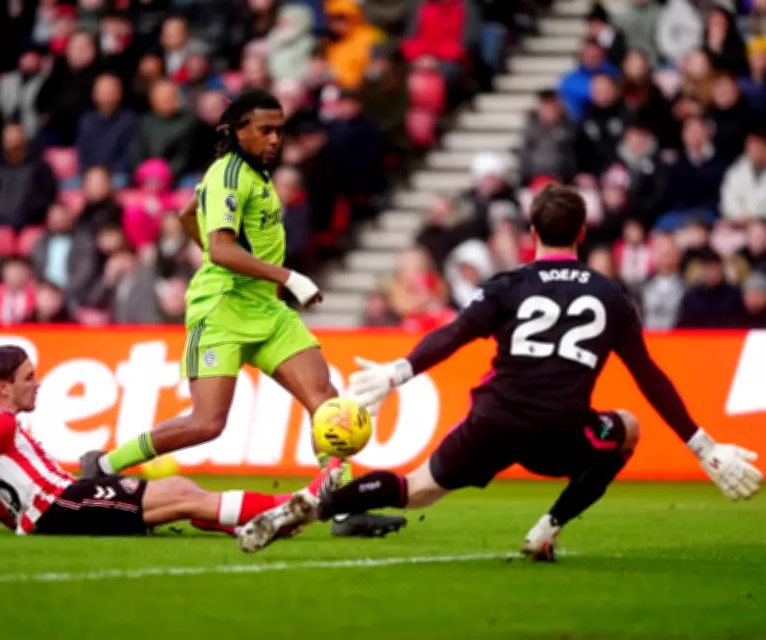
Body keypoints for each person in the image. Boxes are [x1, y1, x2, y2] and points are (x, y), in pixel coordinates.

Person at [238, 185, 763, 558]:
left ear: (533, 231)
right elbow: (650, 376)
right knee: (626, 426)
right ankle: (549, 527)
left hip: (494, 419)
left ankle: (310, 504)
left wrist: (398, 373)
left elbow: (454, 334)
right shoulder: (611, 295)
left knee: (417, 487)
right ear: (582, 232)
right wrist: (703, 446)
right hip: (561, 431)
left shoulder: (509, 284)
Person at [80, 89, 406, 539]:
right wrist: (287, 277)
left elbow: (187, 214)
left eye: (279, 130)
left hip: (266, 309)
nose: (275, 139)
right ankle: (103, 464)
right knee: (207, 423)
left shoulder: (254, 172)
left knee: (328, 405)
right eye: (265, 130)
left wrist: (252, 273)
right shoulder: (228, 174)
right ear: (237, 131)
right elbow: (220, 246)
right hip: (222, 310)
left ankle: (344, 509)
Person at [0, 345, 340, 538]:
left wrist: (24, 520)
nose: (38, 382)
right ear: (4, 387)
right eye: (28, 377)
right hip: (64, 503)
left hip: (65, 499)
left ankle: (273, 519)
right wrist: (35, 518)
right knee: (180, 496)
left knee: (179, 496)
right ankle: (294, 507)